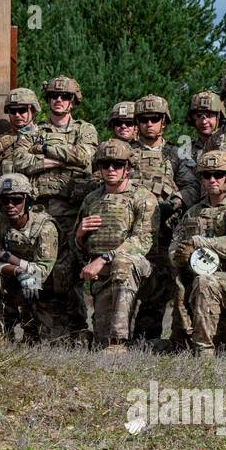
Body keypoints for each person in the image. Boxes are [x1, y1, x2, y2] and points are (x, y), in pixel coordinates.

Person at [2, 75, 98, 340]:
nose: (59, 100)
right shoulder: (32, 130)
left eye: (65, 96)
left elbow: (87, 158)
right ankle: (35, 327)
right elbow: (18, 163)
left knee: (68, 271)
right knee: (37, 267)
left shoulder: (84, 130)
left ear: (73, 101)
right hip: (39, 212)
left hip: (71, 211)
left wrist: (44, 150)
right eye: (54, 96)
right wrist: (62, 160)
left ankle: (77, 327)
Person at [169, 150, 226, 357]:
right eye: (206, 175)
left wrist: (200, 243)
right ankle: (182, 338)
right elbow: (175, 245)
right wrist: (178, 256)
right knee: (180, 280)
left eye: (218, 174)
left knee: (205, 282)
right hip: (199, 277)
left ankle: (203, 351)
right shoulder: (194, 211)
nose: (212, 180)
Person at [75, 140, 159, 353]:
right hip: (101, 274)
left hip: (133, 269)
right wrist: (79, 235)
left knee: (122, 262)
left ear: (128, 168)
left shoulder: (142, 198)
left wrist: (104, 258)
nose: (111, 169)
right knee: (100, 340)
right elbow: (79, 248)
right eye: (105, 165)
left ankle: (119, 342)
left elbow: (142, 241)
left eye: (117, 164)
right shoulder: (92, 199)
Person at [129, 94, 198, 344]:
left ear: (164, 121)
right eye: (144, 119)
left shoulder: (178, 153)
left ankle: (151, 338)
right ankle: (117, 337)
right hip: (131, 230)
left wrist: (177, 200)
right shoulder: (125, 153)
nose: (149, 123)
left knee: (161, 287)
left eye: (155, 118)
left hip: (166, 230)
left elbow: (192, 186)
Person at [0, 173, 58, 342]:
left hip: (41, 287)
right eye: (4, 201)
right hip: (13, 279)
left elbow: (41, 272)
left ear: (28, 201)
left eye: (17, 200)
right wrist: (17, 270)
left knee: (49, 341)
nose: (10, 205)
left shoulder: (45, 227)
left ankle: (31, 329)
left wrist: (8, 257)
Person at [0, 88, 40, 204]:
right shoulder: (0, 141)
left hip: (37, 205)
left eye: (22, 110)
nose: (17, 115)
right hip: (7, 206)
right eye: (13, 111)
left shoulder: (43, 137)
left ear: (33, 110)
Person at [188, 90, 223, 159]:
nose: (204, 122)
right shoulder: (187, 152)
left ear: (218, 117)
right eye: (198, 116)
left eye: (209, 115)